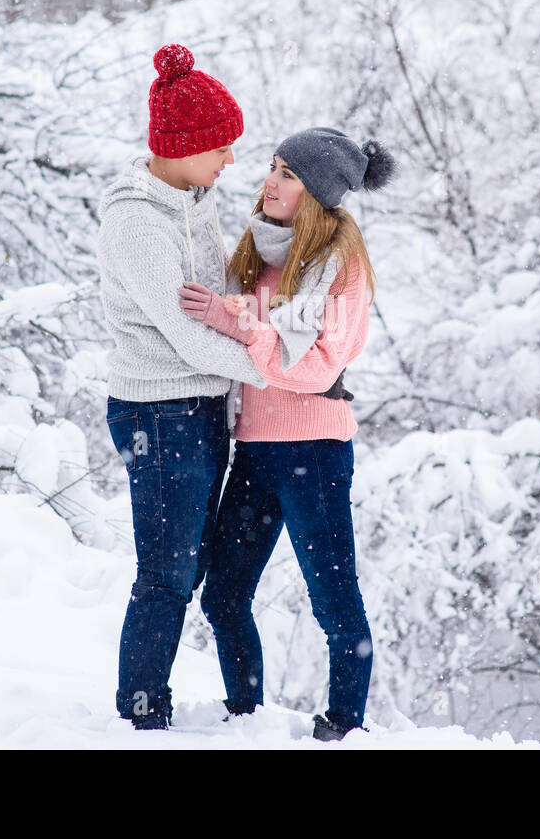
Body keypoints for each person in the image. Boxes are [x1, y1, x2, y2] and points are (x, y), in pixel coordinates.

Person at [97, 45, 344, 730]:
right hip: (159, 407)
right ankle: (142, 711)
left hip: (202, 405)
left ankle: (187, 706)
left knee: (194, 567)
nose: (233, 162)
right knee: (168, 572)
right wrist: (279, 366)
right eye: (223, 148)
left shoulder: (192, 198)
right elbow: (186, 334)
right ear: (186, 148)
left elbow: (225, 296)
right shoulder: (138, 221)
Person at [178, 126, 395, 741]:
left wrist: (239, 323)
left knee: (333, 601)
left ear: (318, 193)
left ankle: (345, 726)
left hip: (315, 452)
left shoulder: (340, 268)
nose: (269, 182)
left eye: (288, 175)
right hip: (254, 449)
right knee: (222, 597)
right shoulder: (257, 252)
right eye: (272, 168)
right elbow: (236, 335)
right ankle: (246, 719)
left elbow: (318, 365)